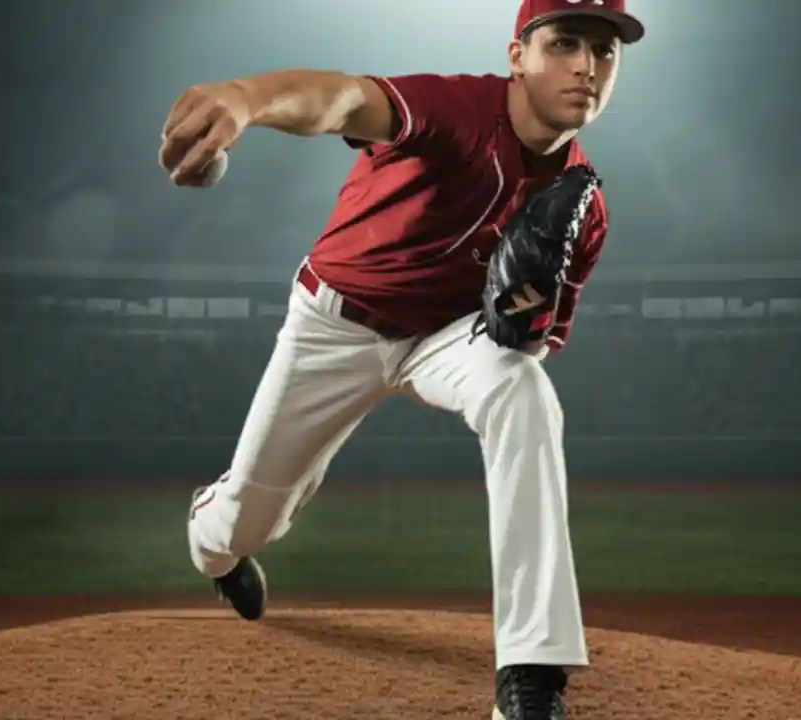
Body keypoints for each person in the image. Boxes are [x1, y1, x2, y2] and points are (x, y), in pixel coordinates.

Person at [158, 1, 644, 717]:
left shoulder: (583, 210)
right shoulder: (457, 109)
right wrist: (245, 100)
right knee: (245, 523)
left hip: (449, 336)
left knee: (524, 391)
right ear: (517, 56)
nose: (585, 65)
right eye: (564, 42)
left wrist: (522, 319)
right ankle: (215, 543)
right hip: (338, 326)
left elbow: (531, 340)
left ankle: (531, 675)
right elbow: (345, 99)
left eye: (604, 51)